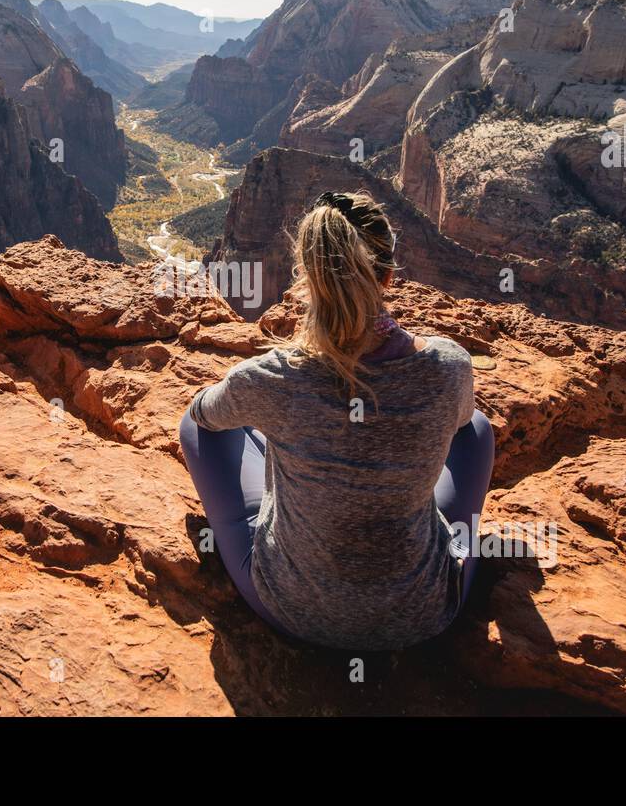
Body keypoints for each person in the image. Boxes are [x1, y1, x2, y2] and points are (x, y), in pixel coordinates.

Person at [179, 190, 494, 650]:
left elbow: (203, 413)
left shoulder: (271, 378)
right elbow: (462, 421)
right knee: (476, 428)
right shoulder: (449, 366)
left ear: (307, 278)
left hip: (293, 609)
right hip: (422, 612)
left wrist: (274, 421)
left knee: (199, 425)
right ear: (387, 276)